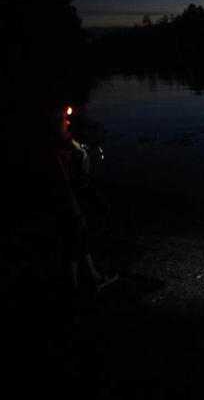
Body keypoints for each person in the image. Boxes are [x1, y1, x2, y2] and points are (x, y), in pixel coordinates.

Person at [48, 105, 117, 294]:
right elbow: (63, 183)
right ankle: (80, 283)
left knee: (76, 238)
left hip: (74, 198)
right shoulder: (56, 152)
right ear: (55, 126)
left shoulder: (66, 144)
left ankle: (87, 280)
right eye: (64, 121)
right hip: (68, 201)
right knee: (76, 236)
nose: (68, 122)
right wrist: (74, 206)